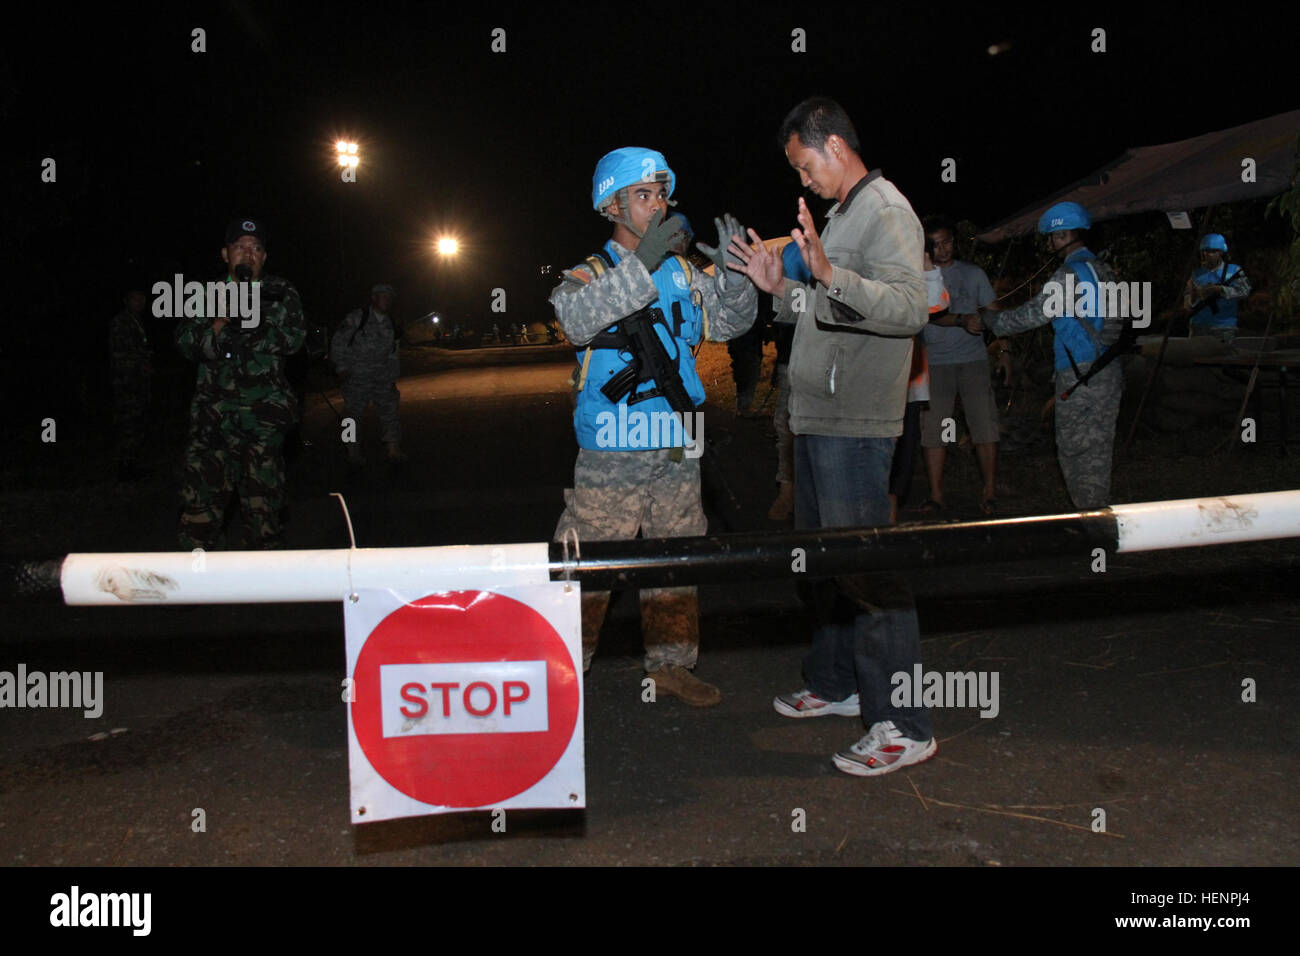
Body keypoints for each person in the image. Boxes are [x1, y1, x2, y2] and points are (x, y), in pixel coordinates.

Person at [727, 97, 935, 775]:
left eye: (804, 163)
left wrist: (826, 273)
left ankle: (904, 723)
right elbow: (826, 306)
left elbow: (908, 308)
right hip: (817, 419)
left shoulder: (886, 210)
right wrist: (778, 289)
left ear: (836, 146)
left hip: (856, 424)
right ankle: (841, 684)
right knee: (827, 565)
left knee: (870, 573)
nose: (803, 178)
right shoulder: (843, 214)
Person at [551, 147, 757, 707]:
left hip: (677, 442)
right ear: (611, 204)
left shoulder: (684, 271)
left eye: (661, 194)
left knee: (677, 556)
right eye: (644, 195)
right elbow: (575, 320)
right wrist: (641, 263)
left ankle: (671, 664)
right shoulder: (586, 276)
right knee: (588, 565)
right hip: (612, 448)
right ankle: (561, 669)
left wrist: (737, 277)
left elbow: (732, 323)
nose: (658, 205)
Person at [175, 218, 307, 549]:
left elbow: (294, 339)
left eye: (256, 248)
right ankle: (195, 588)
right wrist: (219, 325)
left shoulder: (281, 292)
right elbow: (186, 343)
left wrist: (256, 323)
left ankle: (266, 590)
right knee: (199, 515)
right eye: (239, 247)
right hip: (212, 424)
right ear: (225, 254)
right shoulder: (205, 295)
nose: (248, 254)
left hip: (263, 424)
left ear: (264, 257)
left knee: (265, 517)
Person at [984, 201, 1123, 510]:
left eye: (1051, 238)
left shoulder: (1067, 275)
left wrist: (987, 320)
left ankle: (1088, 518)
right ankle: (1100, 514)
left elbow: (1027, 317)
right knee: (1099, 450)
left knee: (1075, 451)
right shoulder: (1106, 271)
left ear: (1062, 236)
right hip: (1108, 372)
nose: (1049, 244)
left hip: (1080, 375)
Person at [918, 218, 1003, 515]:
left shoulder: (973, 273)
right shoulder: (922, 276)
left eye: (948, 241)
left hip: (973, 359)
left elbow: (993, 312)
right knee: (936, 429)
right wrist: (962, 319)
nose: (943, 249)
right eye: (936, 243)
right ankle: (936, 495)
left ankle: (990, 491)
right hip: (936, 362)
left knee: (984, 425)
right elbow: (927, 314)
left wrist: (1003, 348)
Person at [330, 283, 406, 465]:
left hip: (383, 377)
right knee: (352, 415)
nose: (387, 300)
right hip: (357, 377)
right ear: (374, 297)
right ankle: (352, 451)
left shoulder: (391, 322)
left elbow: (394, 350)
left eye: (389, 296)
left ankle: (393, 449)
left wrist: (394, 373)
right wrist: (340, 367)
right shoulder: (357, 318)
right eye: (383, 295)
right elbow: (338, 342)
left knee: (391, 412)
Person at [109, 288, 153, 480]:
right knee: (128, 423)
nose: (140, 303)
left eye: (142, 299)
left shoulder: (136, 321)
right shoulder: (121, 323)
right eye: (136, 299)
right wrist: (140, 364)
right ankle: (124, 466)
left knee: (138, 423)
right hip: (127, 382)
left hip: (138, 382)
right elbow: (120, 354)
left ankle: (131, 463)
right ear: (126, 300)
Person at [1185, 233, 1250, 342]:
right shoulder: (1196, 273)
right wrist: (1194, 294)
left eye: (1213, 251)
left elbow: (1245, 291)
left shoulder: (1234, 271)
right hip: (1199, 326)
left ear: (1221, 252)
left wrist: (1220, 290)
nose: (1209, 255)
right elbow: (1187, 302)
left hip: (1223, 327)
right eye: (1206, 251)